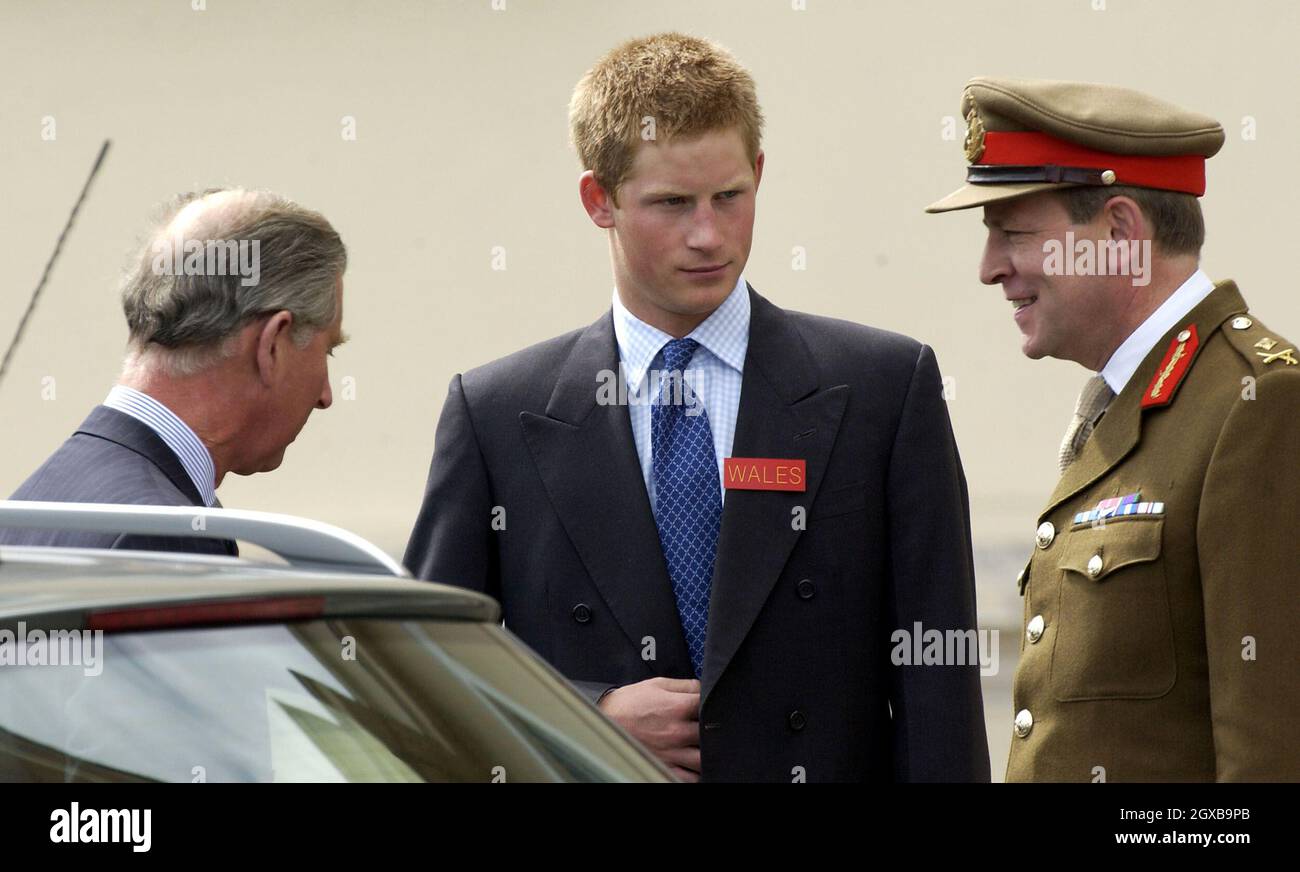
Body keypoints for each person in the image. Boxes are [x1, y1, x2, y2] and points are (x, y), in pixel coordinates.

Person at [406, 33, 989, 782]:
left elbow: (937, 689)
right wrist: (586, 721)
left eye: (730, 197)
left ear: (759, 174)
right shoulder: (494, 414)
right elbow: (427, 677)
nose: (709, 235)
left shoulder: (884, 386)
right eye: (671, 204)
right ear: (599, 201)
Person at [928, 76, 1300, 781]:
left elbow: (1273, 751)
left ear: (1120, 232)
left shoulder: (1259, 401)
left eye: (1012, 233)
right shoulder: (1137, 399)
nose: (989, 269)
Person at [0, 188, 348, 555]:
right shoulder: (162, 536)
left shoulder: (37, 501)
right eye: (327, 350)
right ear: (273, 344)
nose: (326, 395)